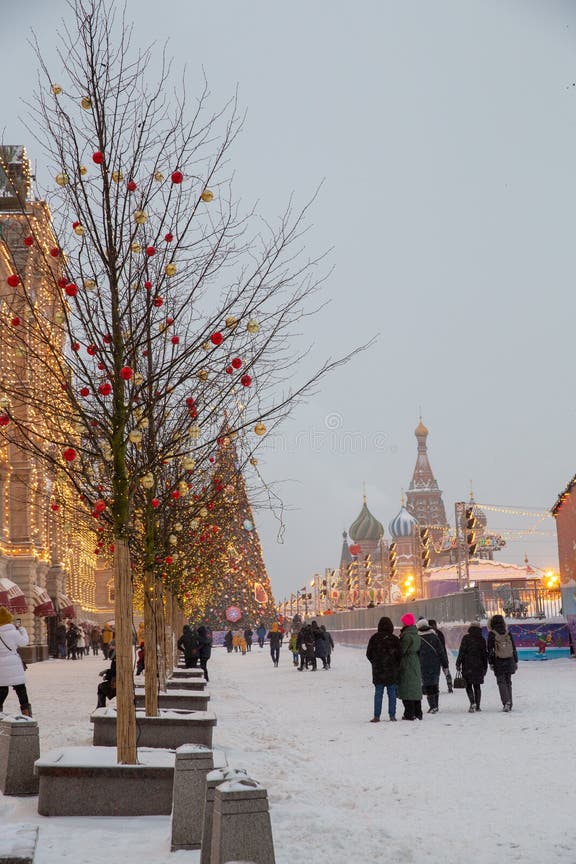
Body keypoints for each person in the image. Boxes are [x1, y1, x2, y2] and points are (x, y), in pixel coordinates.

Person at [366, 616, 401, 722]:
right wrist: (395, 664)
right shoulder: (394, 639)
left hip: (378, 671)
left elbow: (368, 654)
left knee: (378, 693)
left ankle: (377, 716)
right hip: (391, 671)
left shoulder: (374, 638)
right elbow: (400, 655)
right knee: (392, 694)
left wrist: (376, 662)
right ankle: (392, 715)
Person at [0, 607, 32, 716]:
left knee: (2, 689)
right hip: (14, 664)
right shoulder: (13, 632)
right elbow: (24, 642)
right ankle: (26, 713)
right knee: (21, 689)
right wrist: (22, 630)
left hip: (1, 666)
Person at [416, 618, 449, 714]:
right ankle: (436, 705)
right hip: (435, 664)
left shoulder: (418, 638)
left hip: (423, 664)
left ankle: (433, 706)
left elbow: (417, 653)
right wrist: (445, 664)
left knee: (427, 685)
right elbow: (441, 651)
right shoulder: (434, 637)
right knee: (435, 683)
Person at [487, 614, 518, 712]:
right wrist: (515, 660)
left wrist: (491, 662)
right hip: (509, 660)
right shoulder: (508, 633)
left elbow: (490, 649)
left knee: (501, 682)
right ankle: (510, 702)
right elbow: (513, 647)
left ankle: (506, 702)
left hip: (498, 661)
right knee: (508, 682)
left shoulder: (492, 634)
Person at [456, 622, 488, 712]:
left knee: (468, 685)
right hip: (479, 665)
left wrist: (458, 663)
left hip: (467, 665)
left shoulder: (466, 638)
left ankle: (472, 702)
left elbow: (461, 652)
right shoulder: (481, 639)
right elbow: (484, 654)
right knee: (477, 686)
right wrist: (485, 666)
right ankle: (478, 706)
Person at [397, 613, 422, 720]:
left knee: (407, 688)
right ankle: (418, 712)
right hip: (415, 661)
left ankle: (409, 713)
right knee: (415, 688)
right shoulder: (416, 634)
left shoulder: (407, 636)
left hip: (407, 662)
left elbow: (402, 650)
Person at [428, 618, 453, 692]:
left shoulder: (431, 634)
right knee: (445, 672)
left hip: (436, 657)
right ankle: (448, 686)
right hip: (441, 656)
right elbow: (442, 646)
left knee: (437, 673)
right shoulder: (439, 633)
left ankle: (440, 686)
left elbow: (441, 646)